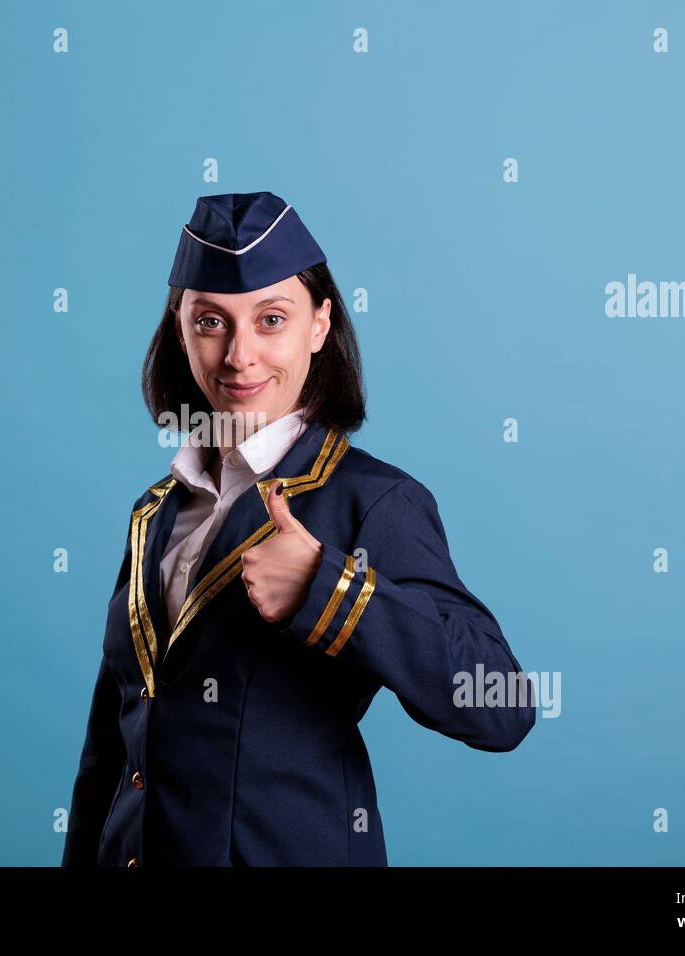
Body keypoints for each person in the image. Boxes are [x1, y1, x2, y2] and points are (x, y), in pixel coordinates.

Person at [61, 191, 536, 867]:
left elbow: (503, 704)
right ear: (178, 329)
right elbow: (110, 749)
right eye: (210, 322)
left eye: (272, 319)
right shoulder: (159, 509)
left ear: (319, 325)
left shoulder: (372, 501)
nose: (239, 356)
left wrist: (329, 586)